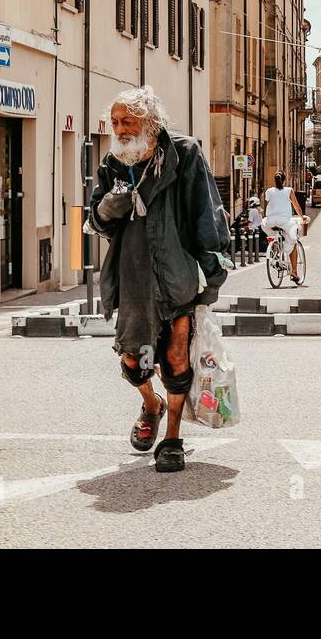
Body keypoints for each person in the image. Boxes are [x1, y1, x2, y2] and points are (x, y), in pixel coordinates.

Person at [88, 86, 229, 474]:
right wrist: (106, 208)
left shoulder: (184, 154)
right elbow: (96, 221)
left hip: (177, 275)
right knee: (135, 360)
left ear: (150, 124)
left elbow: (206, 212)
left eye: (127, 122)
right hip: (133, 278)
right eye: (115, 122)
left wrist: (212, 271)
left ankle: (172, 438)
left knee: (176, 357)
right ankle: (151, 402)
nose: (119, 129)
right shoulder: (114, 162)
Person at [262, 170, 305, 283]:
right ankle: (294, 272)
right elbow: (297, 207)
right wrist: (302, 217)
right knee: (293, 241)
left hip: (270, 221)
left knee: (274, 235)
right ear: (284, 180)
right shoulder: (288, 190)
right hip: (285, 222)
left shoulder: (269, 191)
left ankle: (275, 252)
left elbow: (267, 203)